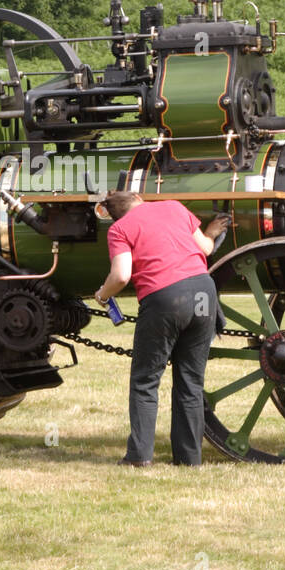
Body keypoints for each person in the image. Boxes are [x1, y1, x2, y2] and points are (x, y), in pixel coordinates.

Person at [93, 192, 230, 467]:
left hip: (165, 298)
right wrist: (212, 232)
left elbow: (121, 275)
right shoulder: (174, 207)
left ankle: (139, 456)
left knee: (145, 380)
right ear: (138, 198)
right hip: (204, 293)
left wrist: (102, 294)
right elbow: (205, 248)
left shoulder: (119, 229)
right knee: (191, 381)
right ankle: (189, 458)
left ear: (115, 216)